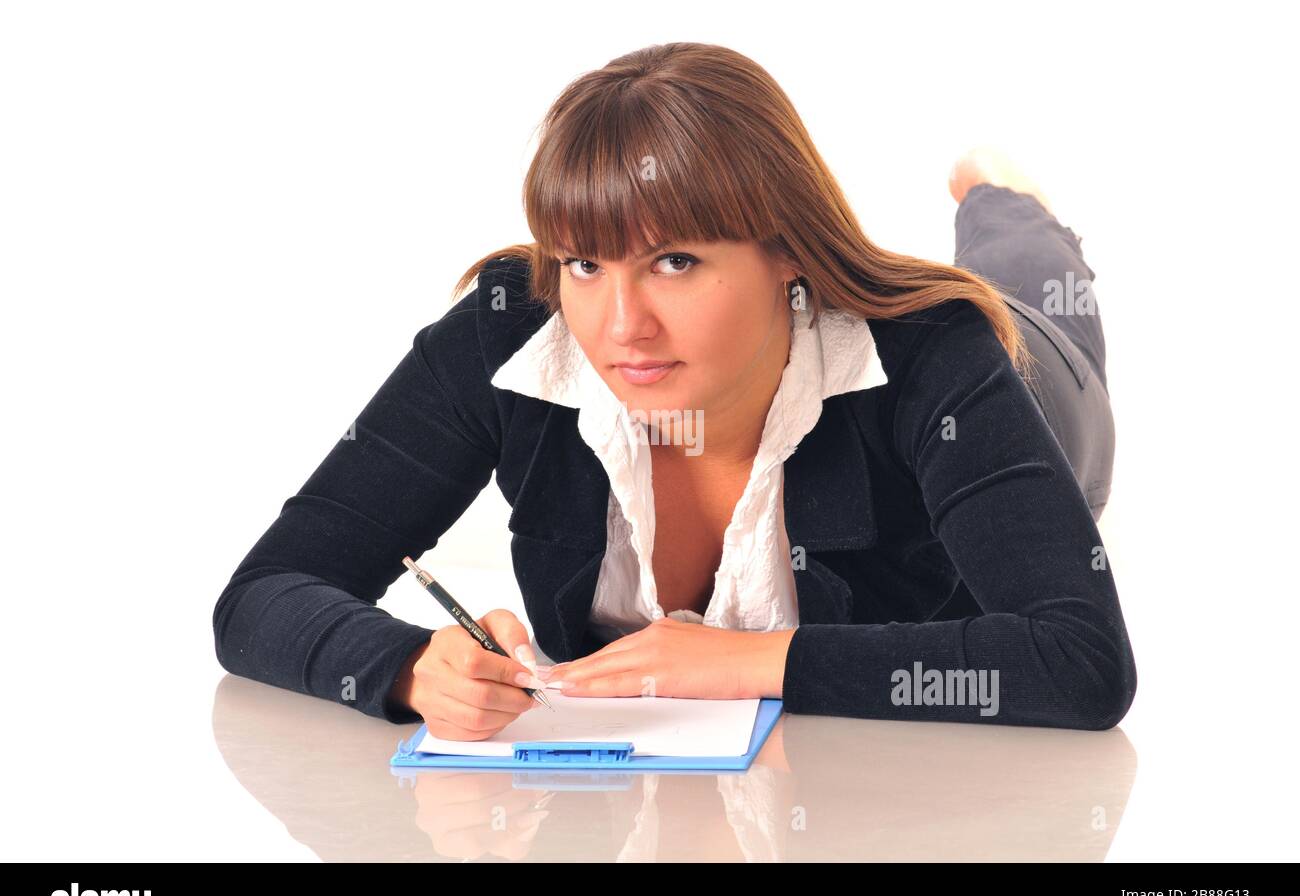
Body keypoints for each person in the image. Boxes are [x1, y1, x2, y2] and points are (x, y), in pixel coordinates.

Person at [213, 43, 1135, 739]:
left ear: (787, 250)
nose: (621, 327)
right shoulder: (512, 329)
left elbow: (1080, 661)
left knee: (1019, 262)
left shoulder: (940, 359)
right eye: (583, 261)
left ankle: (1004, 195)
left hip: (1040, 376)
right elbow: (262, 591)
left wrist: (745, 663)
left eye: (675, 261)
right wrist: (409, 664)